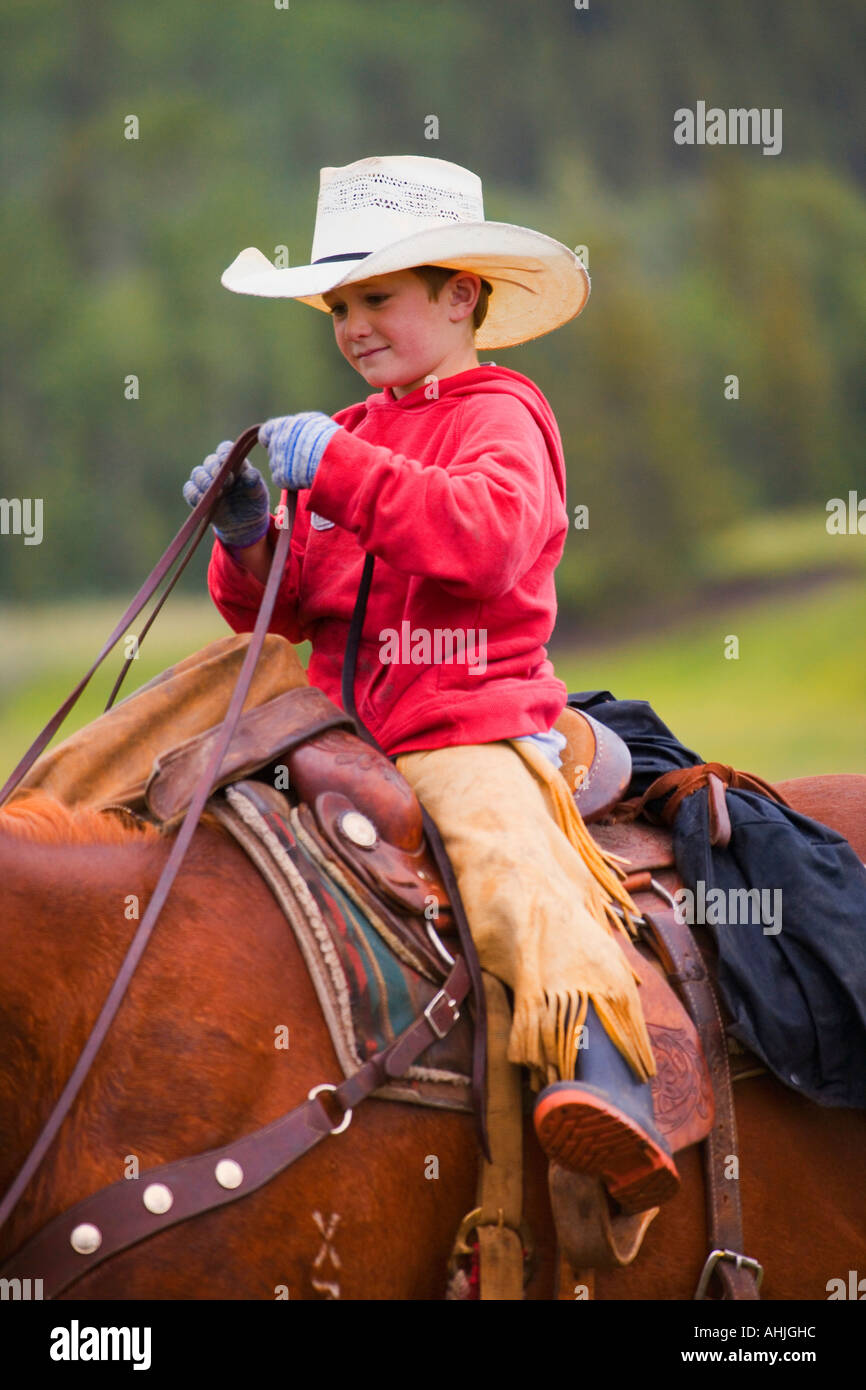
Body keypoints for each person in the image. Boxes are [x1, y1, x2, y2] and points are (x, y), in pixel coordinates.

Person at [185, 154, 679, 1214]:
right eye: (338, 306)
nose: (353, 324)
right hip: (340, 725)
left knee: (503, 862)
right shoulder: (355, 433)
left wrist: (343, 472)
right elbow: (296, 595)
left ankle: (605, 1070)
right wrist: (248, 541)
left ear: (460, 296)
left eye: (378, 298)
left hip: (466, 721)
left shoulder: (501, 411)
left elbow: (485, 540)